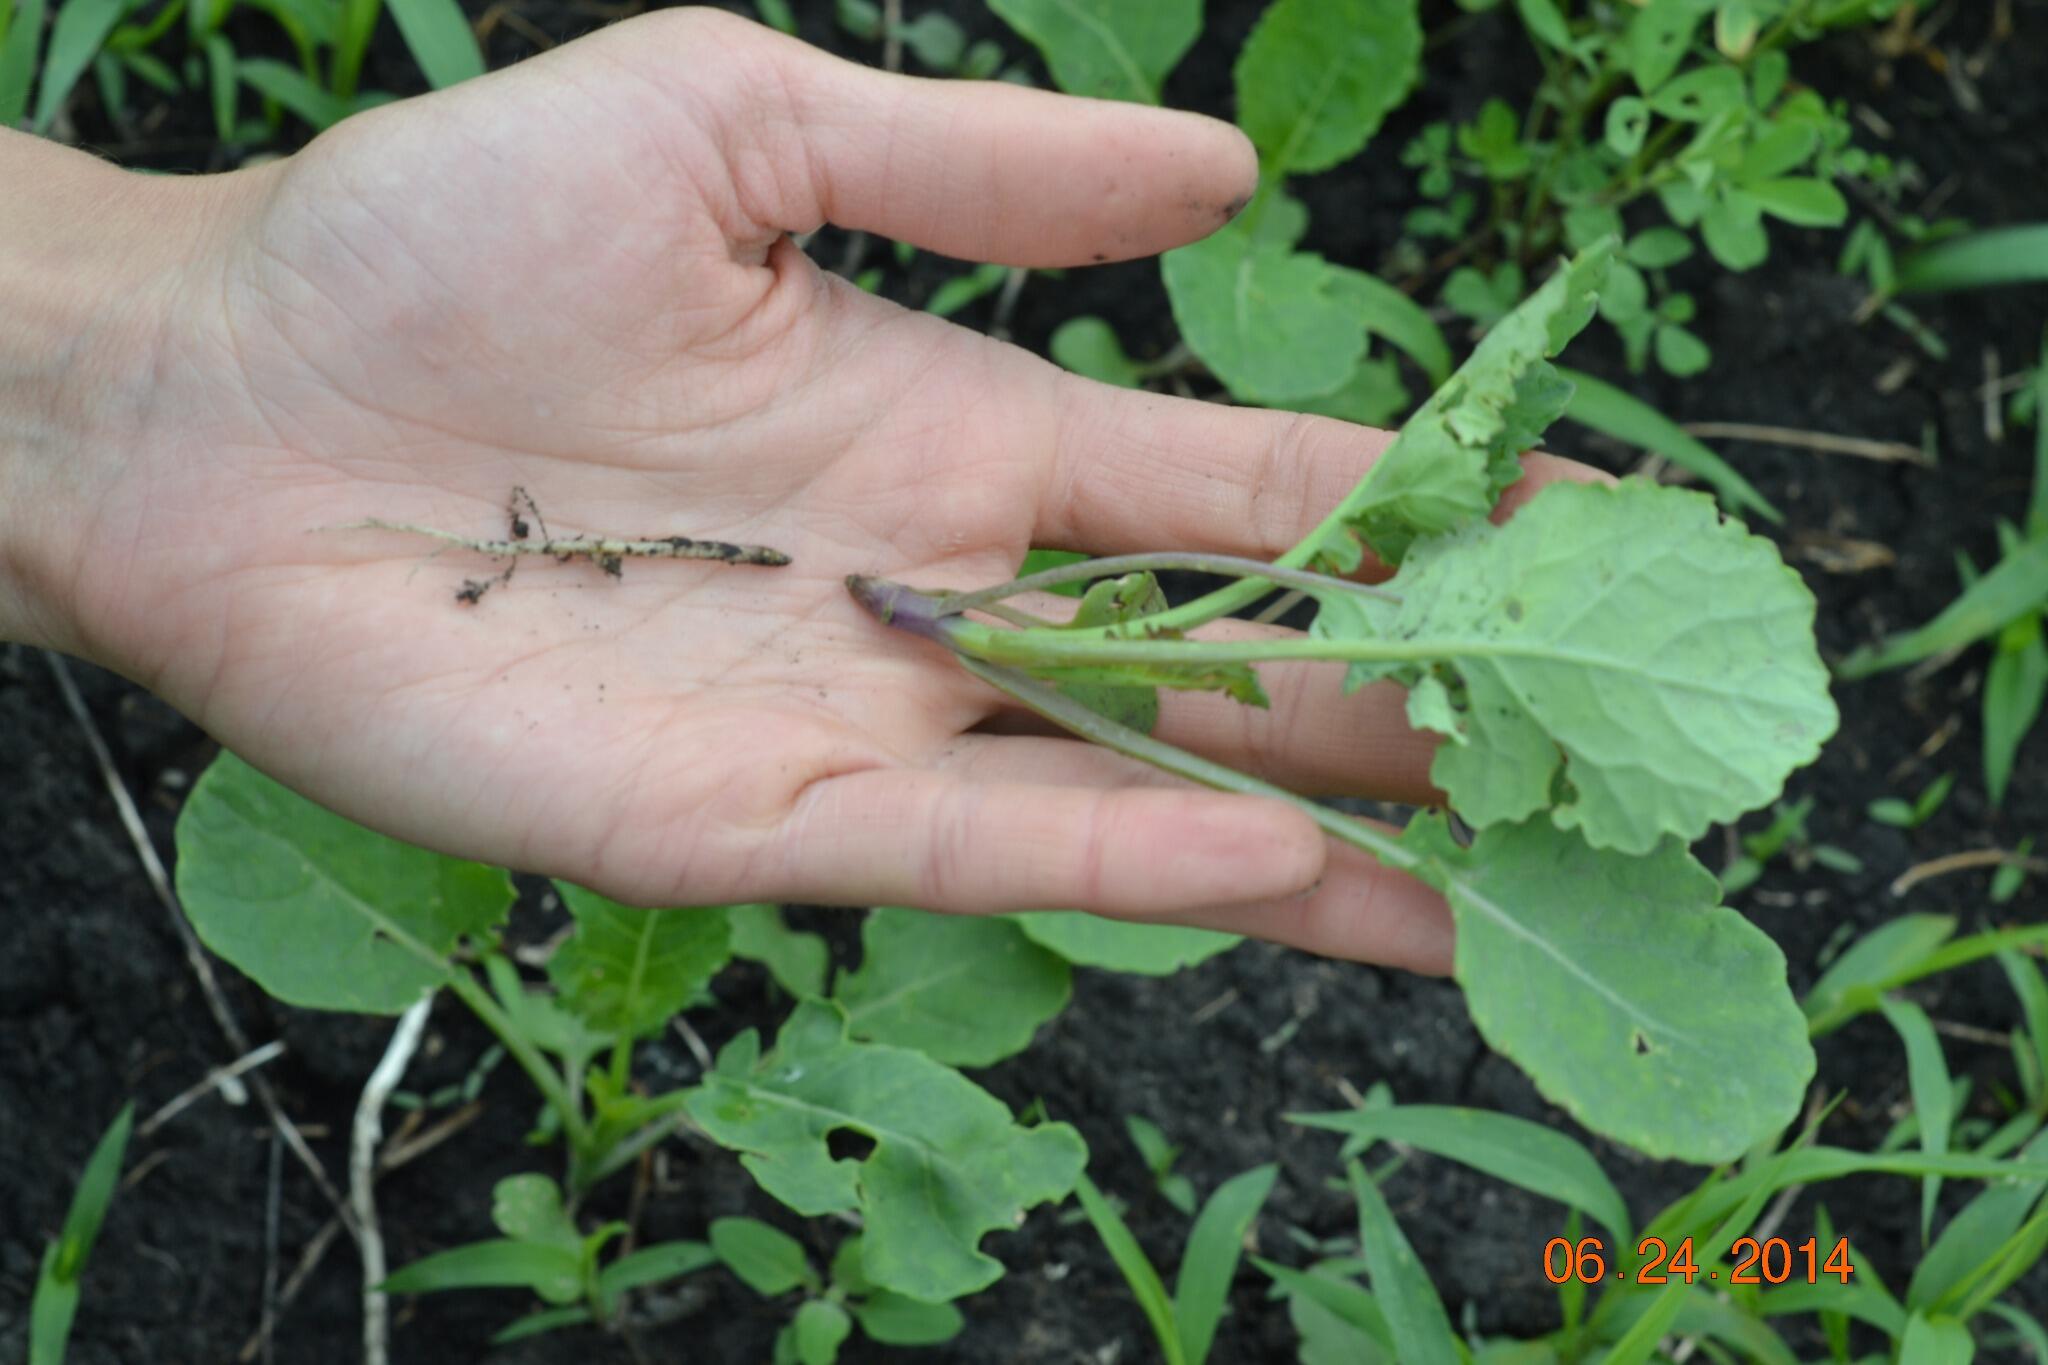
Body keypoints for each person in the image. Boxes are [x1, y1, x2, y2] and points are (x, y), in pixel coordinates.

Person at [0, 7, 1596, 973]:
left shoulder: (547, 541)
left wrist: (138, 372)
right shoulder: (502, 545)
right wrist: (146, 383)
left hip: (690, 540)